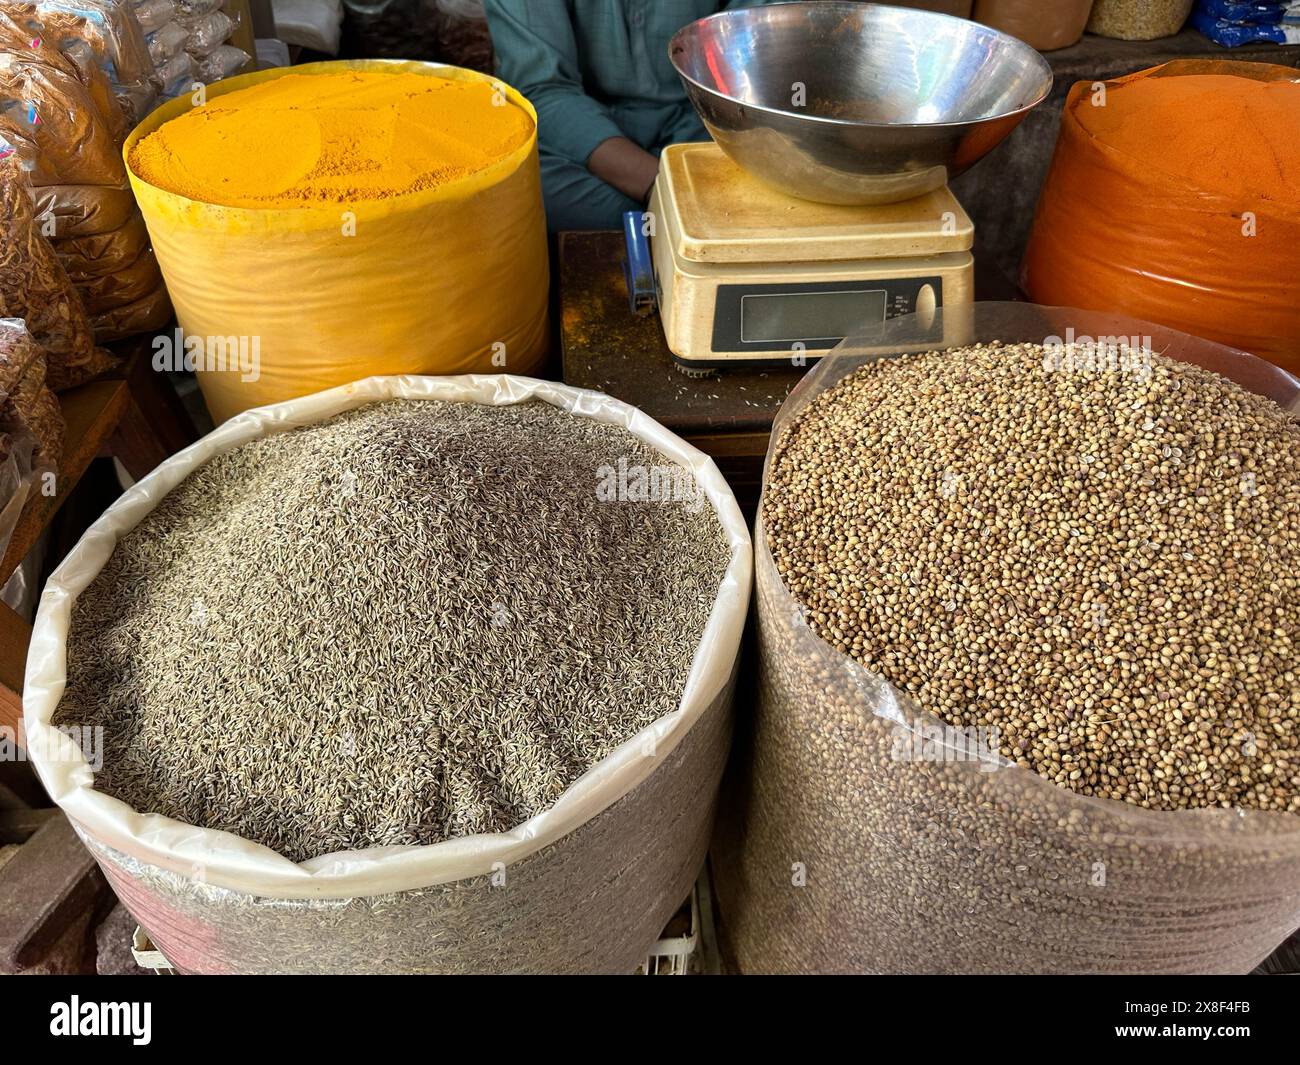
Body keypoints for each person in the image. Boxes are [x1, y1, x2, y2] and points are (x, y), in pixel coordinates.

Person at [483, 1, 763, 232]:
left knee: (768, 171)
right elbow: (542, 90)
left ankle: (661, 227)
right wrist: (662, 188)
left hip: (700, 123)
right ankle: (683, 226)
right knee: (515, 186)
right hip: (576, 139)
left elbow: (755, 57)